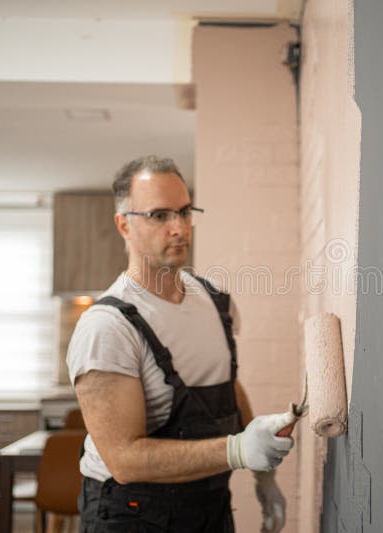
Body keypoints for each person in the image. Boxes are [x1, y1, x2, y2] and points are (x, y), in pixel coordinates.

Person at [66, 155, 297, 533]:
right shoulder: (107, 327)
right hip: (132, 514)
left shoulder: (215, 302)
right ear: (123, 224)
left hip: (208, 505)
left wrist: (263, 474)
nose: (179, 227)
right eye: (160, 215)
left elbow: (226, 385)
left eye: (185, 211)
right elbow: (124, 459)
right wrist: (238, 449)